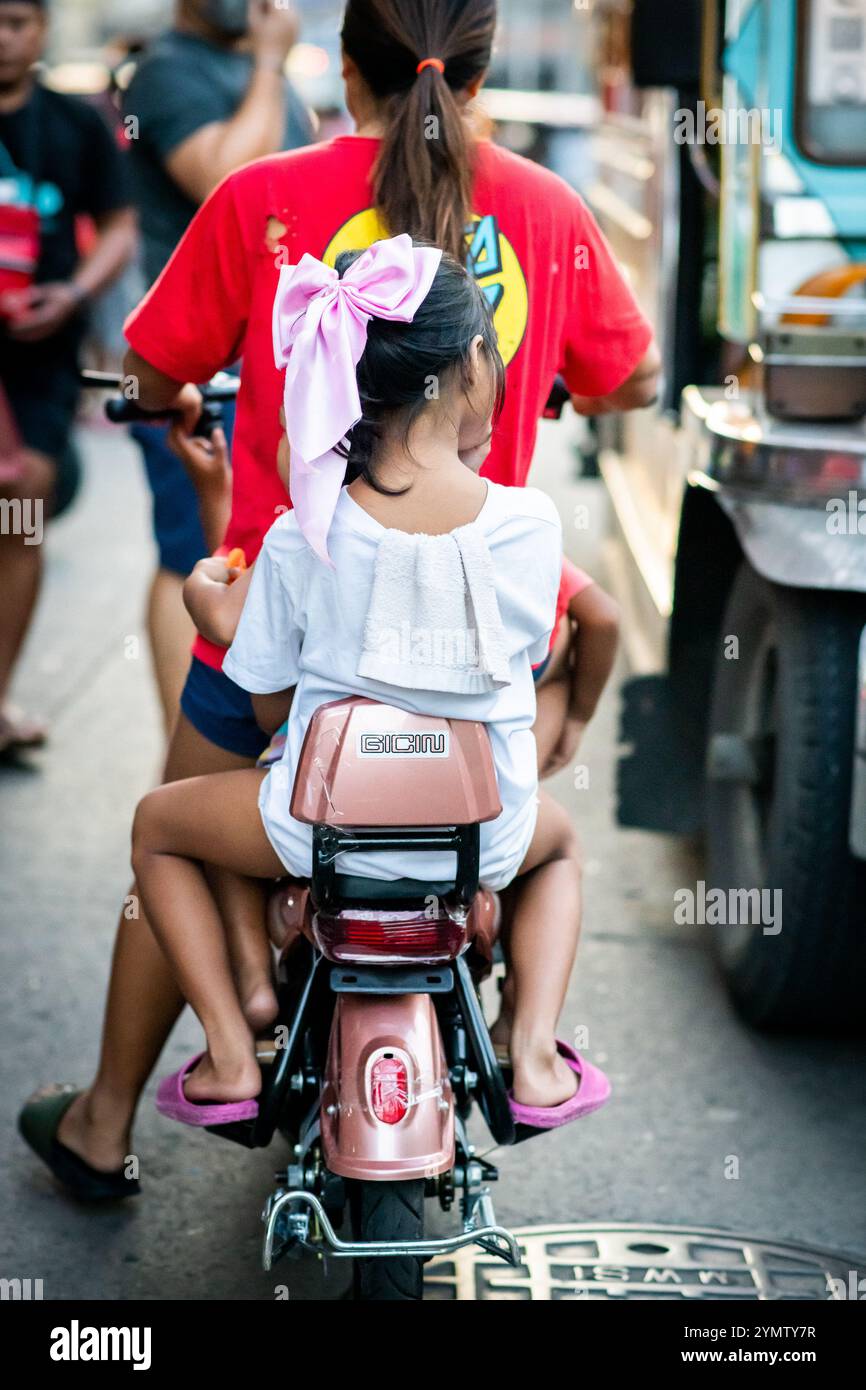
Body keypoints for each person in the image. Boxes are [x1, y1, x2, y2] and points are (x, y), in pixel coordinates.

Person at [19, 0, 658, 1198]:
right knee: (527, 838)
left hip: (279, 589)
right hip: (485, 621)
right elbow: (633, 380)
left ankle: (107, 1122)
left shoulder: (263, 196)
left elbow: (156, 369)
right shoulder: (548, 208)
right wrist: (552, 394)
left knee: (176, 816)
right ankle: (525, 1039)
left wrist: (188, 403)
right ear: (471, 80)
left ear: (345, 71)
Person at [132, 235, 610, 1125]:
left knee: (159, 826)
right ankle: (535, 1051)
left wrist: (214, 621)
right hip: (483, 834)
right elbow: (520, 668)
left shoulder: (301, 536)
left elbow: (272, 708)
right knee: (565, 848)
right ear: (473, 362)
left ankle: (234, 1052)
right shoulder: (528, 528)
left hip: (323, 835)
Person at [123, 0, 314, 728]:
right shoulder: (167, 71)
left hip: (269, 368)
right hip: (194, 369)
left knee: (249, 553)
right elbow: (228, 179)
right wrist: (271, 61)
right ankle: (187, 748)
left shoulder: (258, 65)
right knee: (189, 553)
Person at [0, 0, 135, 754]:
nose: (5, 36)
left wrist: (76, 293)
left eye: (18, 20)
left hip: (37, 360)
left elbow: (116, 224)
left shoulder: (75, 126)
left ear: (42, 29)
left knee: (20, 509)